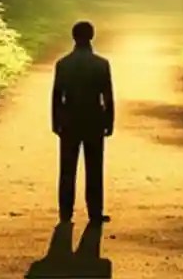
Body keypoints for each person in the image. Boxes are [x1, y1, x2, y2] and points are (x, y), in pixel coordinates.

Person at [51, 20, 114, 224]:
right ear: (92, 36)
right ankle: (95, 212)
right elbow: (108, 96)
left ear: (73, 37)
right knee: (94, 168)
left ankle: (65, 213)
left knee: (67, 169)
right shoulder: (101, 64)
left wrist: (56, 121)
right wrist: (109, 121)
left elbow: (56, 96)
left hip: (69, 120)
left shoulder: (63, 64)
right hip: (94, 119)